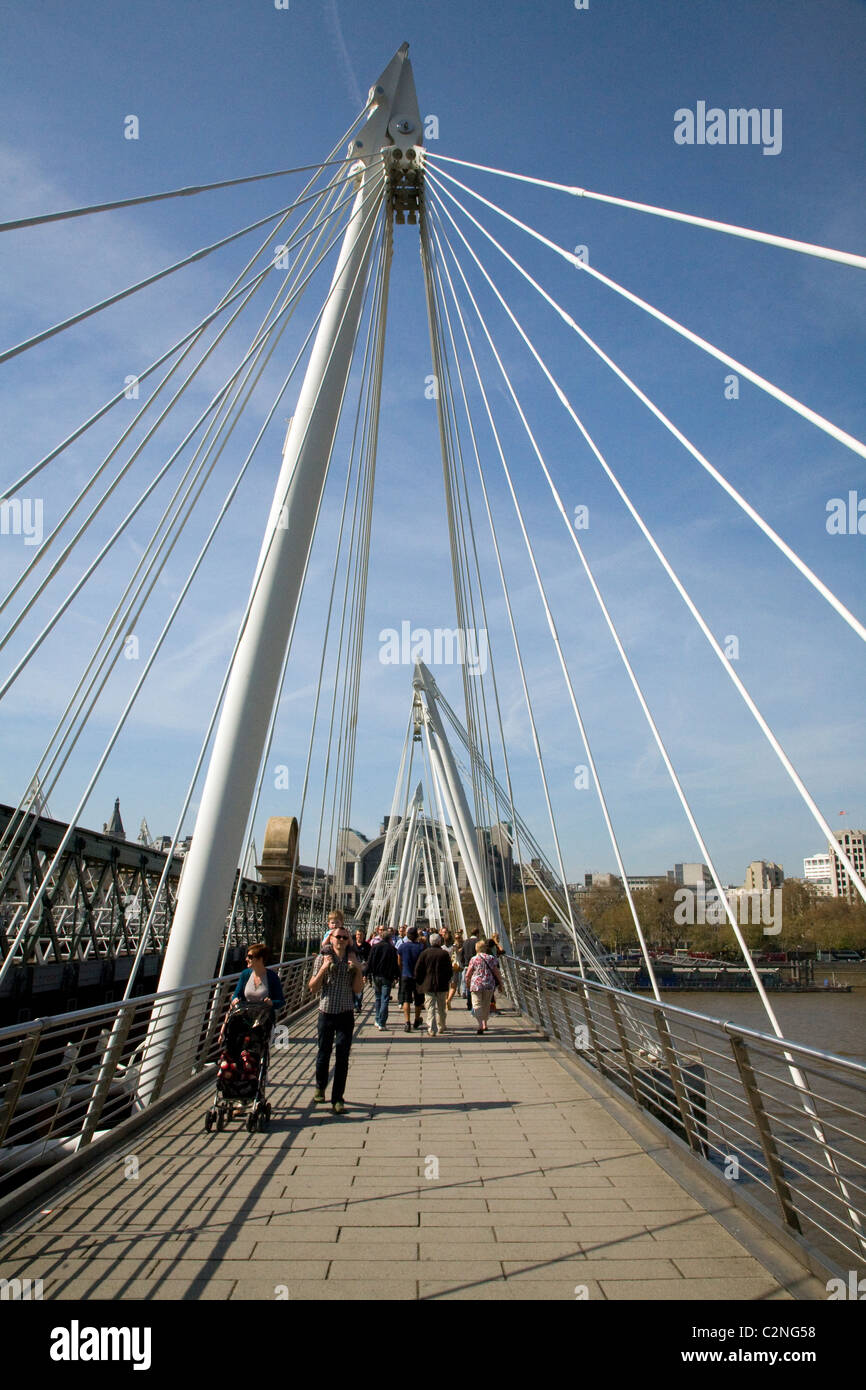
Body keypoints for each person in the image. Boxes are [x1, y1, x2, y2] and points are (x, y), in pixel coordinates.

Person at [308, 923, 364, 1113]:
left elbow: (357, 989)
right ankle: (320, 1086)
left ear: (349, 941)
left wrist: (357, 969)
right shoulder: (323, 958)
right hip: (326, 1012)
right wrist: (324, 968)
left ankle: (338, 1098)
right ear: (330, 939)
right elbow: (313, 987)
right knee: (323, 1053)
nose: (341, 940)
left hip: (346, 1013)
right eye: (337, 937)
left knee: (342, 1057)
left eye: (344, 937)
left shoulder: (353, 959)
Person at [414, 932, 453, 1036]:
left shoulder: (424, 953)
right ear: (439, 942)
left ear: (430, 942)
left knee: (430, 1007)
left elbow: (418, 969)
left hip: (428, 985)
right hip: (442, 985)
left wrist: (420, 981)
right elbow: (450, 970)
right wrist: (447, 979)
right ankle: (441, 1026)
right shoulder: (444, 954)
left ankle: (431, 1028)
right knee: (441, 1008)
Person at [464, 938, 503, 1035]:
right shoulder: (491, 958)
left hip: (476, 985)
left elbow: (468, 974)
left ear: (476, 949)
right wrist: (501, 983)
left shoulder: (473, 959)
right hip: (489, 984)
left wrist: (467, 982)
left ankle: (480, 1024)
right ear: (485, 948)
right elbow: (496, 972)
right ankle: (485, 1023)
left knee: (477, 1005)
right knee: (486, 1005)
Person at [367, 927, 400, 1029]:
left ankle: (377, 1019)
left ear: (381, 937)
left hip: (376, 976)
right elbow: (395, 964)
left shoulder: (375, 947)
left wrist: (367, 974)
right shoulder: (392, 949)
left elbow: (370, 962)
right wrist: (397, 975)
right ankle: (382, 1022)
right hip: (387, 977)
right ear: (390, 938)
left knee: (377, 998)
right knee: (385, 999)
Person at [395, 925, 425, 1032]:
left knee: (406, 1000)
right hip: (417, 977)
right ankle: (417, 1019)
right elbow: (423, 963)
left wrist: (403, 970)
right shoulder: (421, 947)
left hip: (406, 976)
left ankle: (407, 1022)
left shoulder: (402, 947)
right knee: (418, 1000)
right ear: (417, 936)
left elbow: (399, 961)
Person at [460, 928, 481, 1010]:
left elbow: (462, 954)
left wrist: (463, 963)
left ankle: (469, 1004)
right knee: (476, 986)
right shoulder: (478, 942)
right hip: (476, 967)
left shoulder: (465, 942)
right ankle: (476, 1003)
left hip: (467, 966)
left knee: (469, 985)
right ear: (477, 933)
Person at [352, 927, 370, 1015]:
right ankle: (352, 1004)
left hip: (362, 969)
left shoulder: (367, 946)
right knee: (352, 987)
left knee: (360, 988)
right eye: (358, 934)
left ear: (363, 936)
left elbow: (369, 959)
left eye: (361, 935)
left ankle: (358, 1005)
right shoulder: (352, 945)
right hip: (353, 969)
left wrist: (366, 974)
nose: (359, 936)